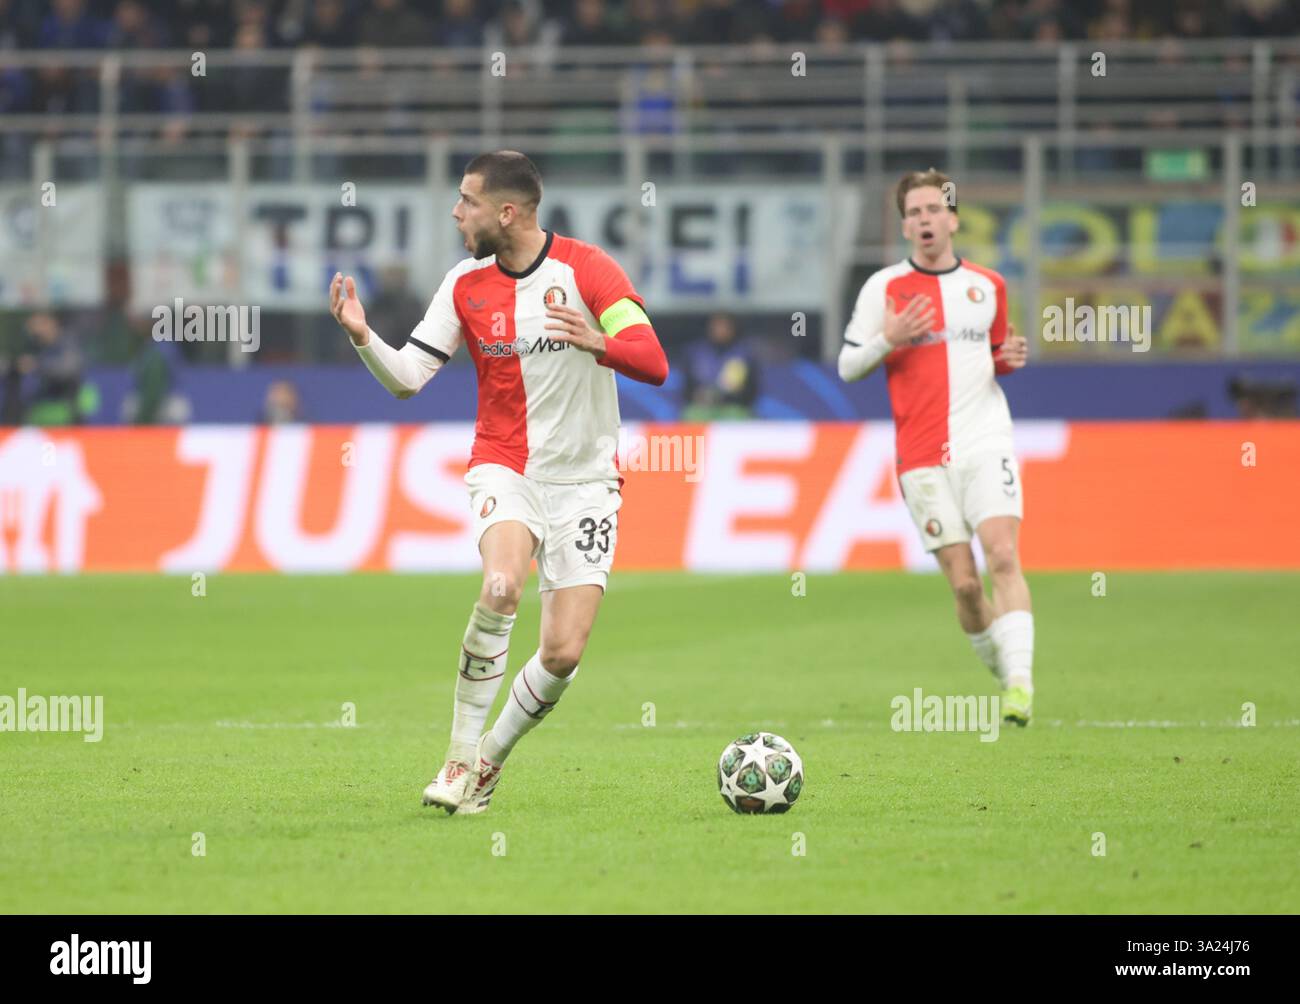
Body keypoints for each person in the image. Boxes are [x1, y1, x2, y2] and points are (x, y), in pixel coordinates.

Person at [329, 150, 668, 814]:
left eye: (468, 201)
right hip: (505, 464)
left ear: (507, 212)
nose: (457, 212)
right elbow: (407, 380)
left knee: (563, 653)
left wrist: (600, 342)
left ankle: (488, 762)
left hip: (587, 480)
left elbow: (653, 360)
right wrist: (364, 335)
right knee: (502, 585)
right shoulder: (465, 285)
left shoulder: (590, 271)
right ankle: (456, 761)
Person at [837, 168, 1035, 725]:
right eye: (914, 213)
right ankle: (1005, 670)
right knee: (967, 586)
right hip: (921, 455)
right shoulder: (883, 289)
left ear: (952, 218)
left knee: (1001, 554)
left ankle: (1021, 682)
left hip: (984, 439)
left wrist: (1008, 360)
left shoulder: (987, 286)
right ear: (905, 226)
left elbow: (993, 354)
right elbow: (848, 365)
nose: (924, 219)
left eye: (933, 210)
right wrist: (889, 339)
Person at [682, 312, 759, 420]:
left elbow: (752, 391)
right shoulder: (696, 352)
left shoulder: (744, 354)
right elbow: (686, 389)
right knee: (691, 414)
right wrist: (699, 396)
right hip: (702, 408)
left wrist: (726, 397)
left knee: (739, 415)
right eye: (716, 326)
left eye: (725, 326)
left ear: (733, 328)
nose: (720, 330)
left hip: (733, 407)